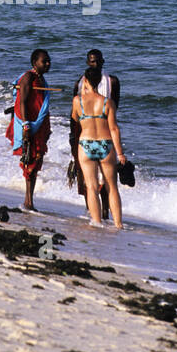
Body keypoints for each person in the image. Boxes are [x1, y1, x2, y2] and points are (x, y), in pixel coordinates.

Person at [72, 65, 127, 229]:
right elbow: (114, 129)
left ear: (86, 81)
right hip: (105, 144)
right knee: (112, 187)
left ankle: (96, 223)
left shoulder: (77, 101)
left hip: (86, 144)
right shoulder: (107, 102)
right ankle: (118, 224)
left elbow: (75, 118)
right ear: (100, 81)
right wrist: (120, 153)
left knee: (92, 187)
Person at [6, 49, 51, 211]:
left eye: (48, 61)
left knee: (37, 160)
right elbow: (22, 102)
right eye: (44, 61)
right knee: (30, 160)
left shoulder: (42, 80)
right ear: (34, 63)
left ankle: (29, 201)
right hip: (30, 125)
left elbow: (41, 104)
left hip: (39, 126)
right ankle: (28, 202)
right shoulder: (28, 77)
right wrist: (25, 124)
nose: (48, 64)